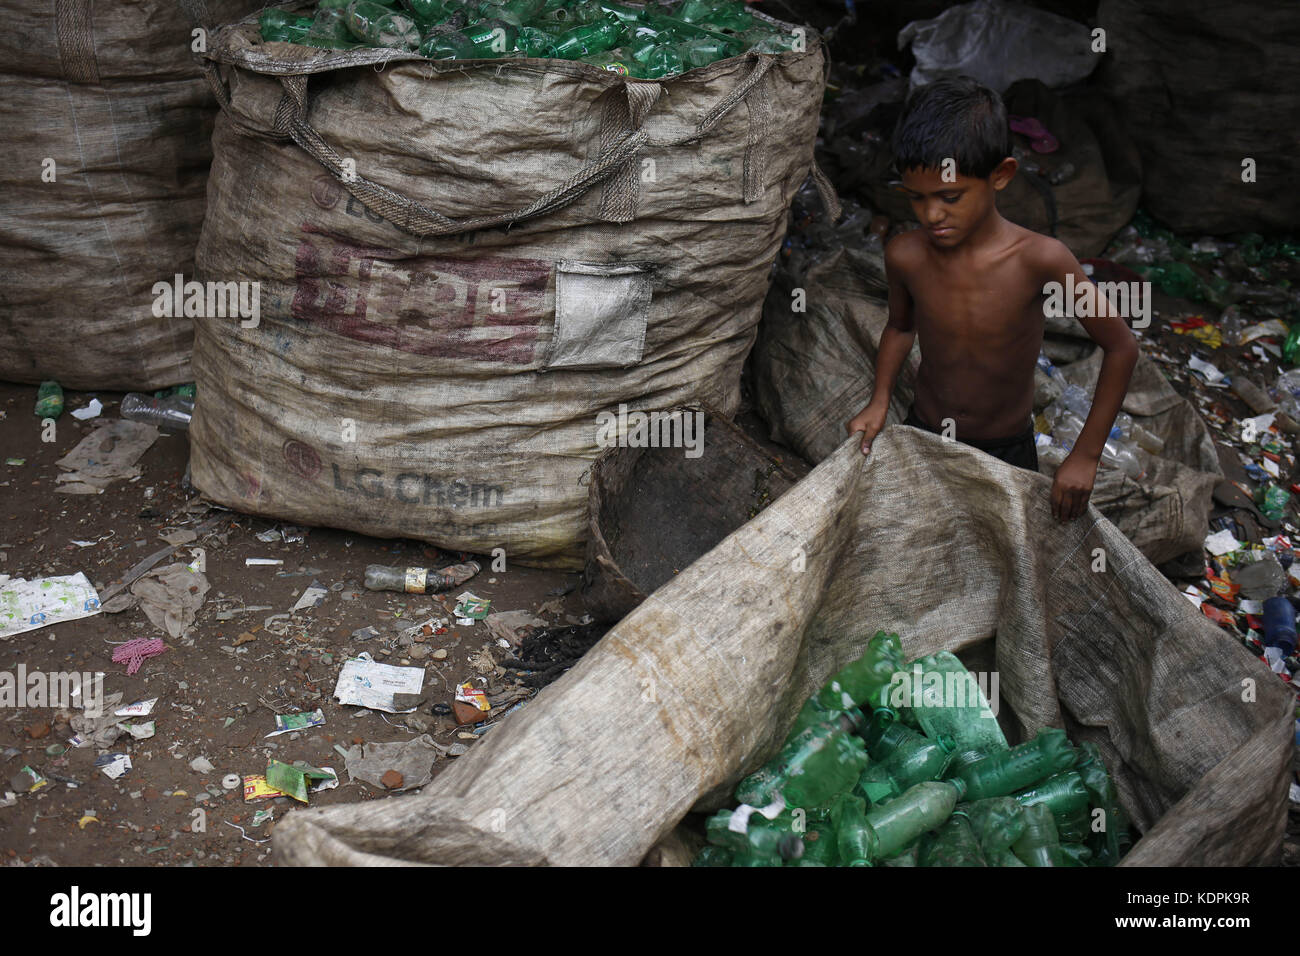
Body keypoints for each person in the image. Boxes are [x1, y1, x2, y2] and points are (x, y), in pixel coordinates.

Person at [846, 75, 1138, 523]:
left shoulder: (1041, 259)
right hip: (924, 430)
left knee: (999, 559)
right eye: (916, 199)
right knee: (910, 539)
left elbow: (1121, 346)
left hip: (1006, 448)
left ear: (1000, 175)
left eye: (950, 196)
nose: (932, 215)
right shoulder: (905, 254)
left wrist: (1087, 455)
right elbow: (901, 327)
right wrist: (881, 399)